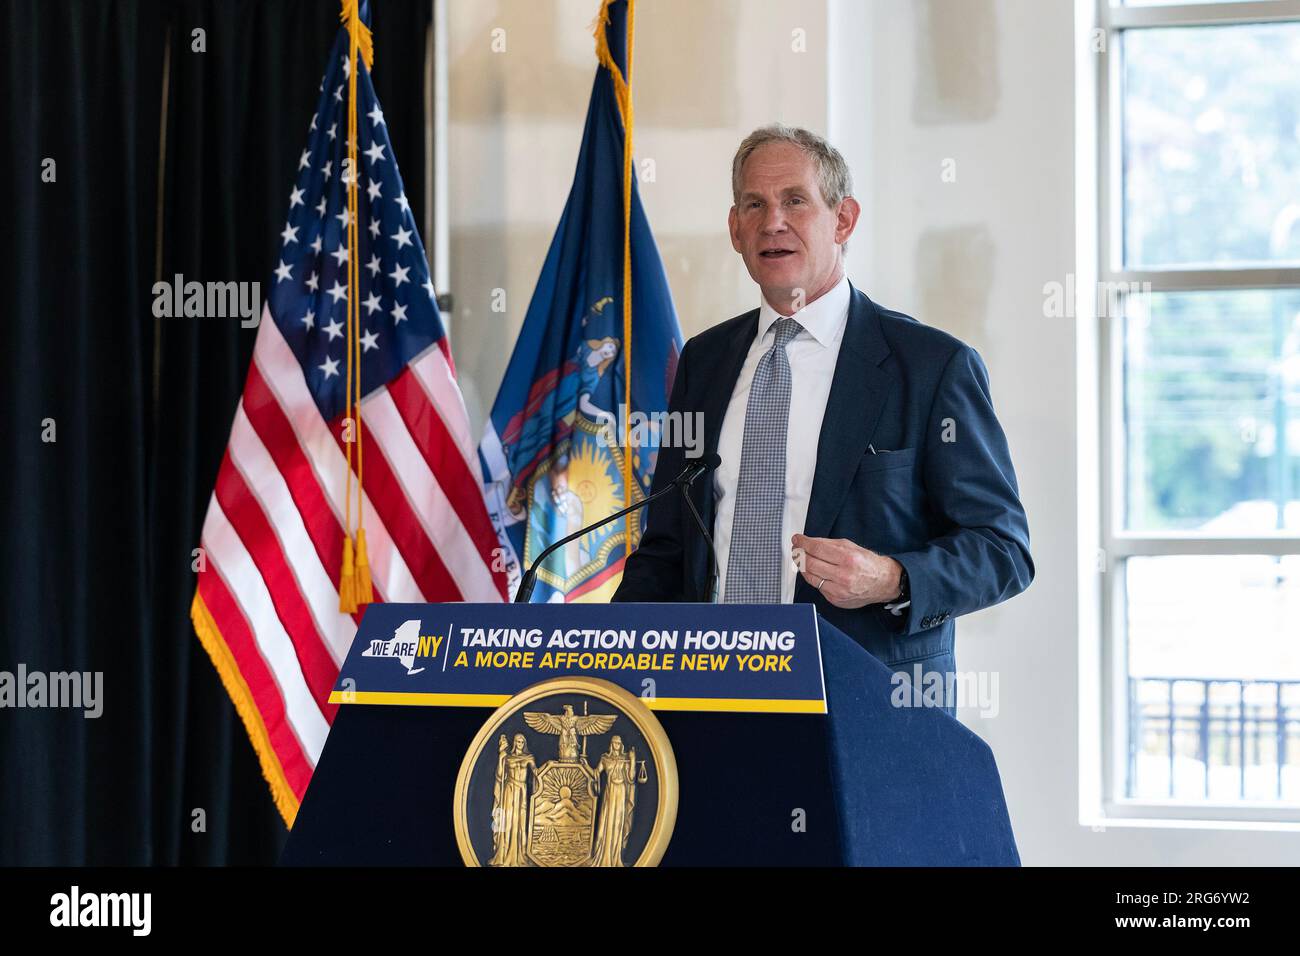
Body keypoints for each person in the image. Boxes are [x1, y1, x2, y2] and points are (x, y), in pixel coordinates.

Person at [612, 124, 1034, 713]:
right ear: (734, 230)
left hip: (868, 710)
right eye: (753, 205)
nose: (772, 222)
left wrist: (892, 578)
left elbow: (1003, 549)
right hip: (709, 702)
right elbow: (665, 550)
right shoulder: (704, 362)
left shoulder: (932, 366)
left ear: (844, 220)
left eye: (795, 201)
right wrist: (606, 668)